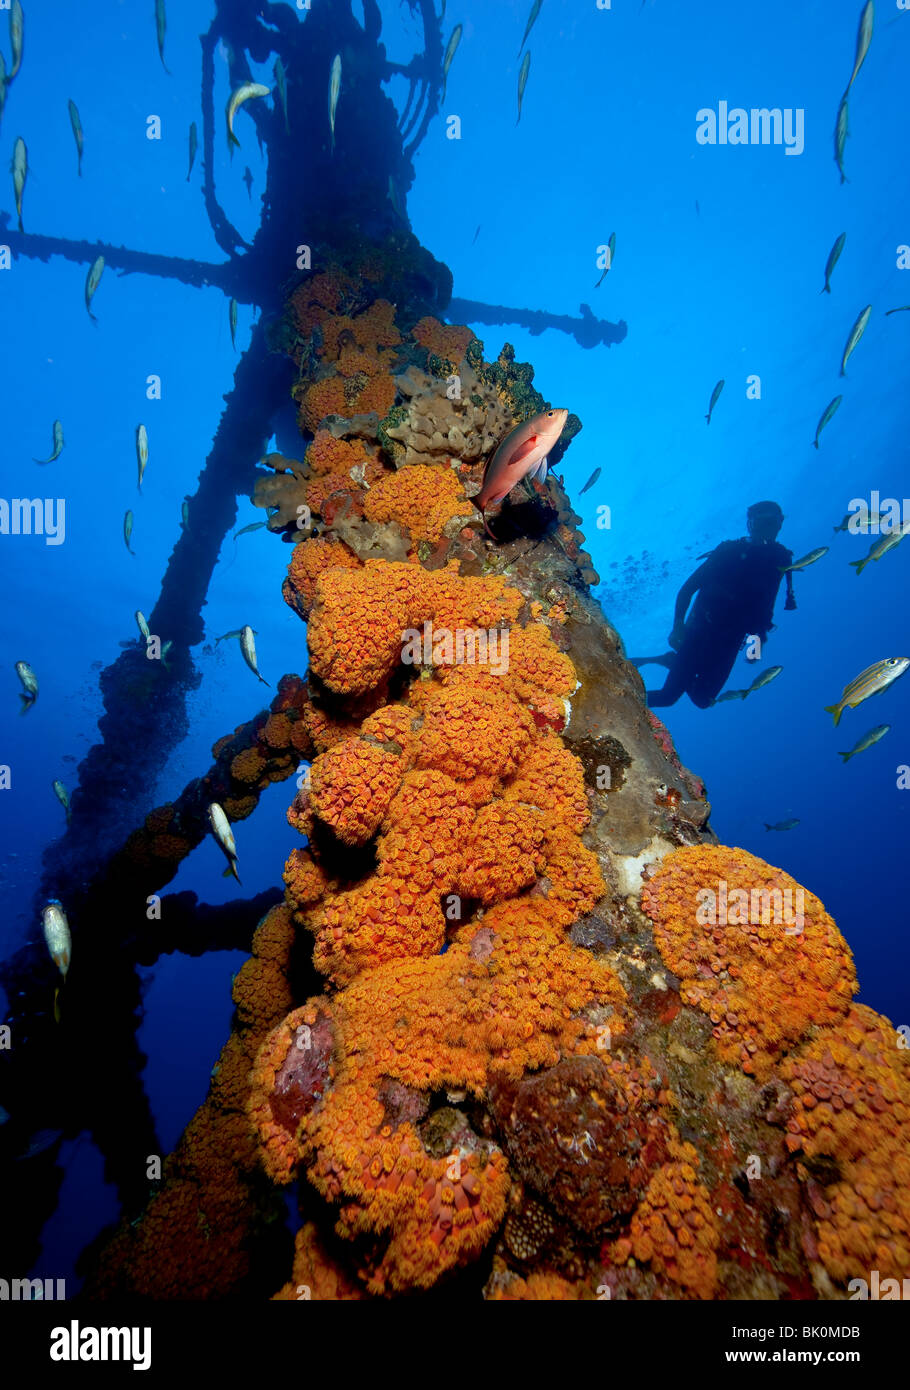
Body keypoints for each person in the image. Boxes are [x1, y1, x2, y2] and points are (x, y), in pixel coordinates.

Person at [633, 501, 796, 709]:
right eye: (762, 522)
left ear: (780, 524)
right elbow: (687, 589)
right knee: (668, 697)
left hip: (731, 640)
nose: (768, 529)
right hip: (701, 628)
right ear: (750, 525)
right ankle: (615, 704)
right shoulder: (729, 552)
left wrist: (759, 640)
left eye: (774, 522)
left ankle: (671, 661)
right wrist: (678, 625)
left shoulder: (780, 559)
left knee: (703, 700)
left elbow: (766, 605)